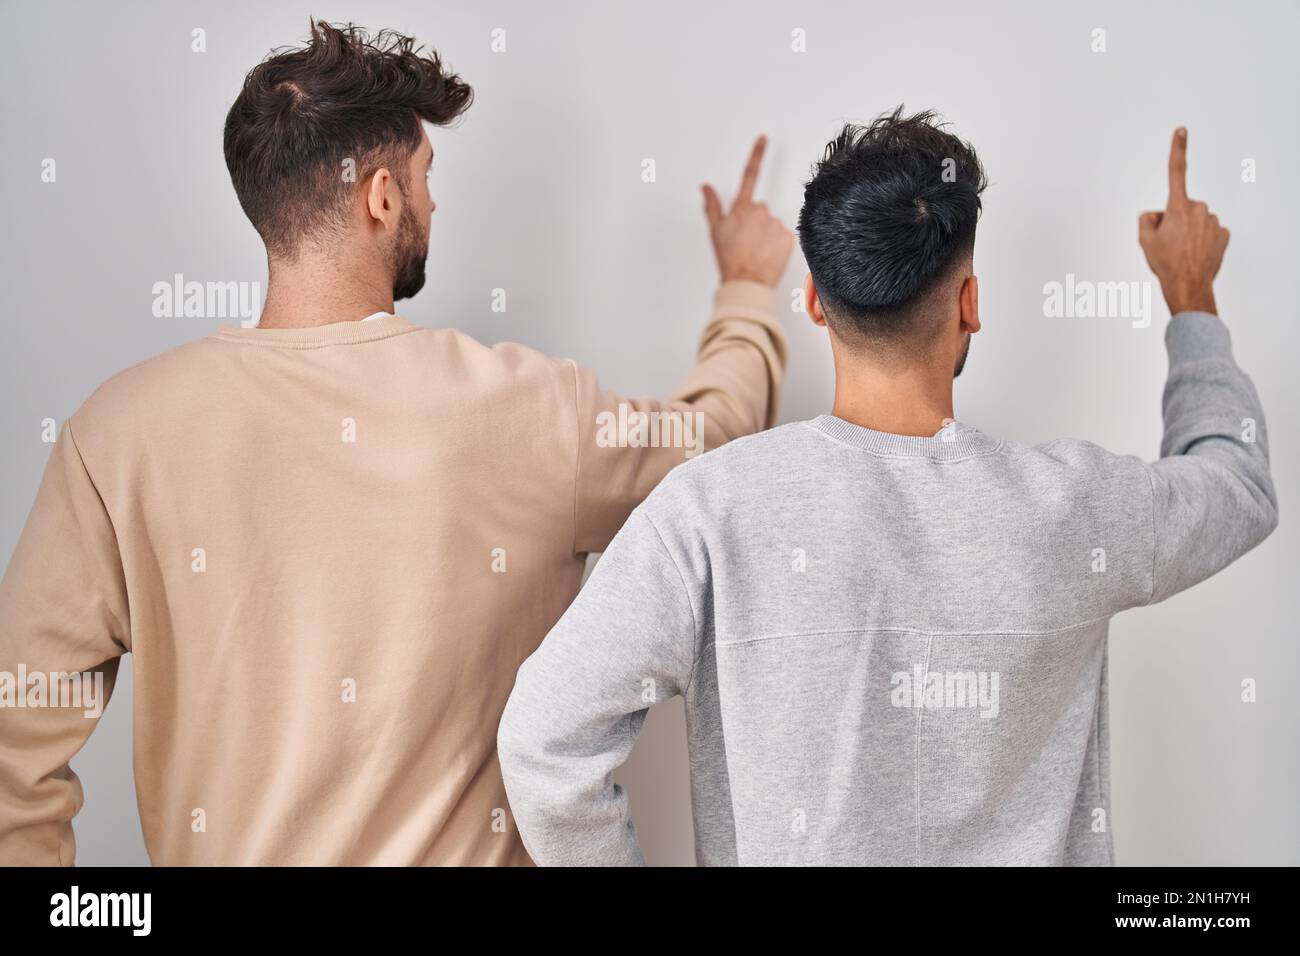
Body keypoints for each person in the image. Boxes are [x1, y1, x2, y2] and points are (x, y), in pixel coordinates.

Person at [0, 21, 792, 865]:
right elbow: (713, 444)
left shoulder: (116, 433)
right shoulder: (526, 411)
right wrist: (745, 290)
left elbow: (17, 723)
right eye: (425, 177)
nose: (433, 203)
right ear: (380, 196)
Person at [496, 111, 1278, 866]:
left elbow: (544, 741)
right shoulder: (1079, 510)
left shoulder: (710, 511)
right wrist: (1191, 297)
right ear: (970, 305)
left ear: (811, 303)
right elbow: (1238, 482)